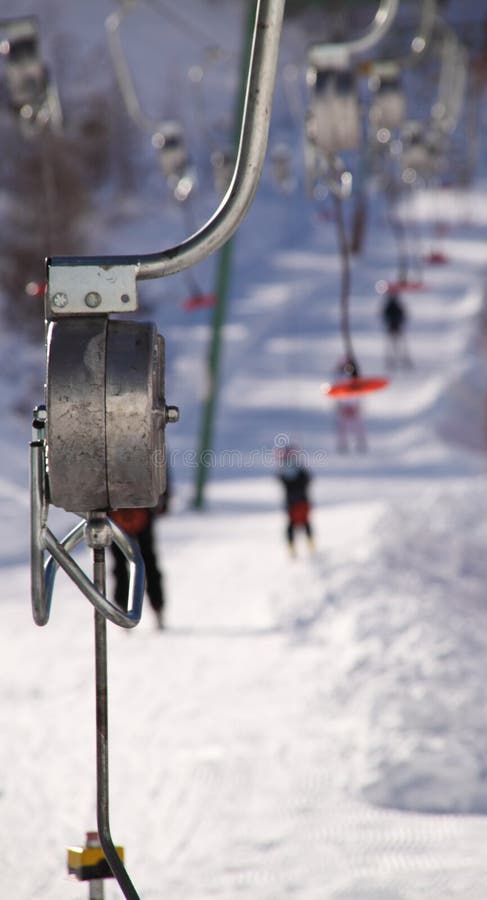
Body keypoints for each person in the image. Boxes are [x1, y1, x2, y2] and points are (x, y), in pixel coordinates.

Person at [110, 484, 170, 630]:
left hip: (132, 509)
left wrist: (163, 497)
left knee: (144, 561)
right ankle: (125, 609)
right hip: (125, 509)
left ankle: (155, 607)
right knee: (126, 564)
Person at [277, 445, 314, 557]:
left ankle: (295, 547)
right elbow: (308, 479)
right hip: (298, 503)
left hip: (295, 503)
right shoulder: (298, 470)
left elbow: (281, 480)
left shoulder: (287, 471)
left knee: (295, 525)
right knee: (303, 523)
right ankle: (307, 545)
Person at [334, 356, 367, 453]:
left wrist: (358, 406)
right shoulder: (339, 377)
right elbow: (337, 392)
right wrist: (340, 406)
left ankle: (360, 442)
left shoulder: (356, 378)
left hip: (354, 406)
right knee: (342, 426)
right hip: (344, 406)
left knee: (358, 425)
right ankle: (343, 444)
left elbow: (360, 393)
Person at [381, 291, 411, 369]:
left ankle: (400, 361)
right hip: (393, 327)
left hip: (395, 327)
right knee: (393, 346)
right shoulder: (393, 306)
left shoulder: (392, 306)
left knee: (398, 345)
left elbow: (403, 315)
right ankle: (393, 361)